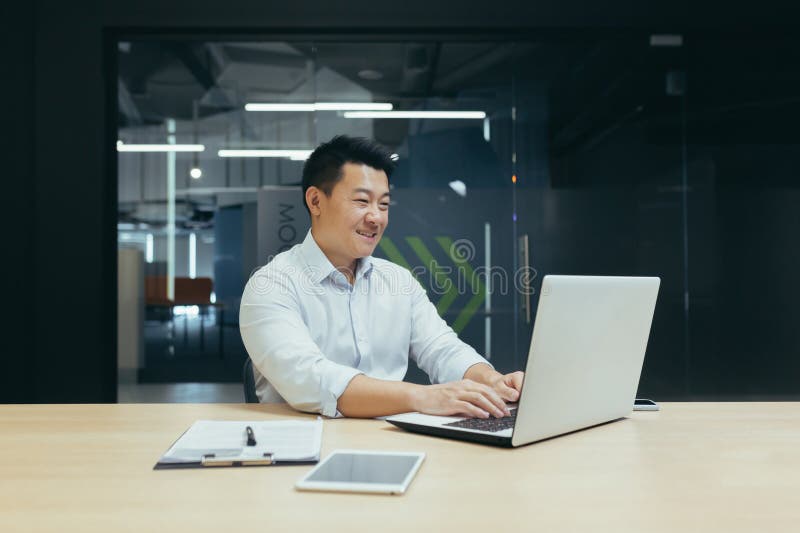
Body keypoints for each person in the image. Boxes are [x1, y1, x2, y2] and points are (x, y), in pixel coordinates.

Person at [239, 135, 523, 418]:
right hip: (304, 447)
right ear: (315, 201)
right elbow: (312, 380)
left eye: (384, 205)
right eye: (362, 201)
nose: (376, 217)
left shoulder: (398, 281)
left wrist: (492, 381)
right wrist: (424, 397)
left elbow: (442, 348)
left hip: (392, 438)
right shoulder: (271, 286)